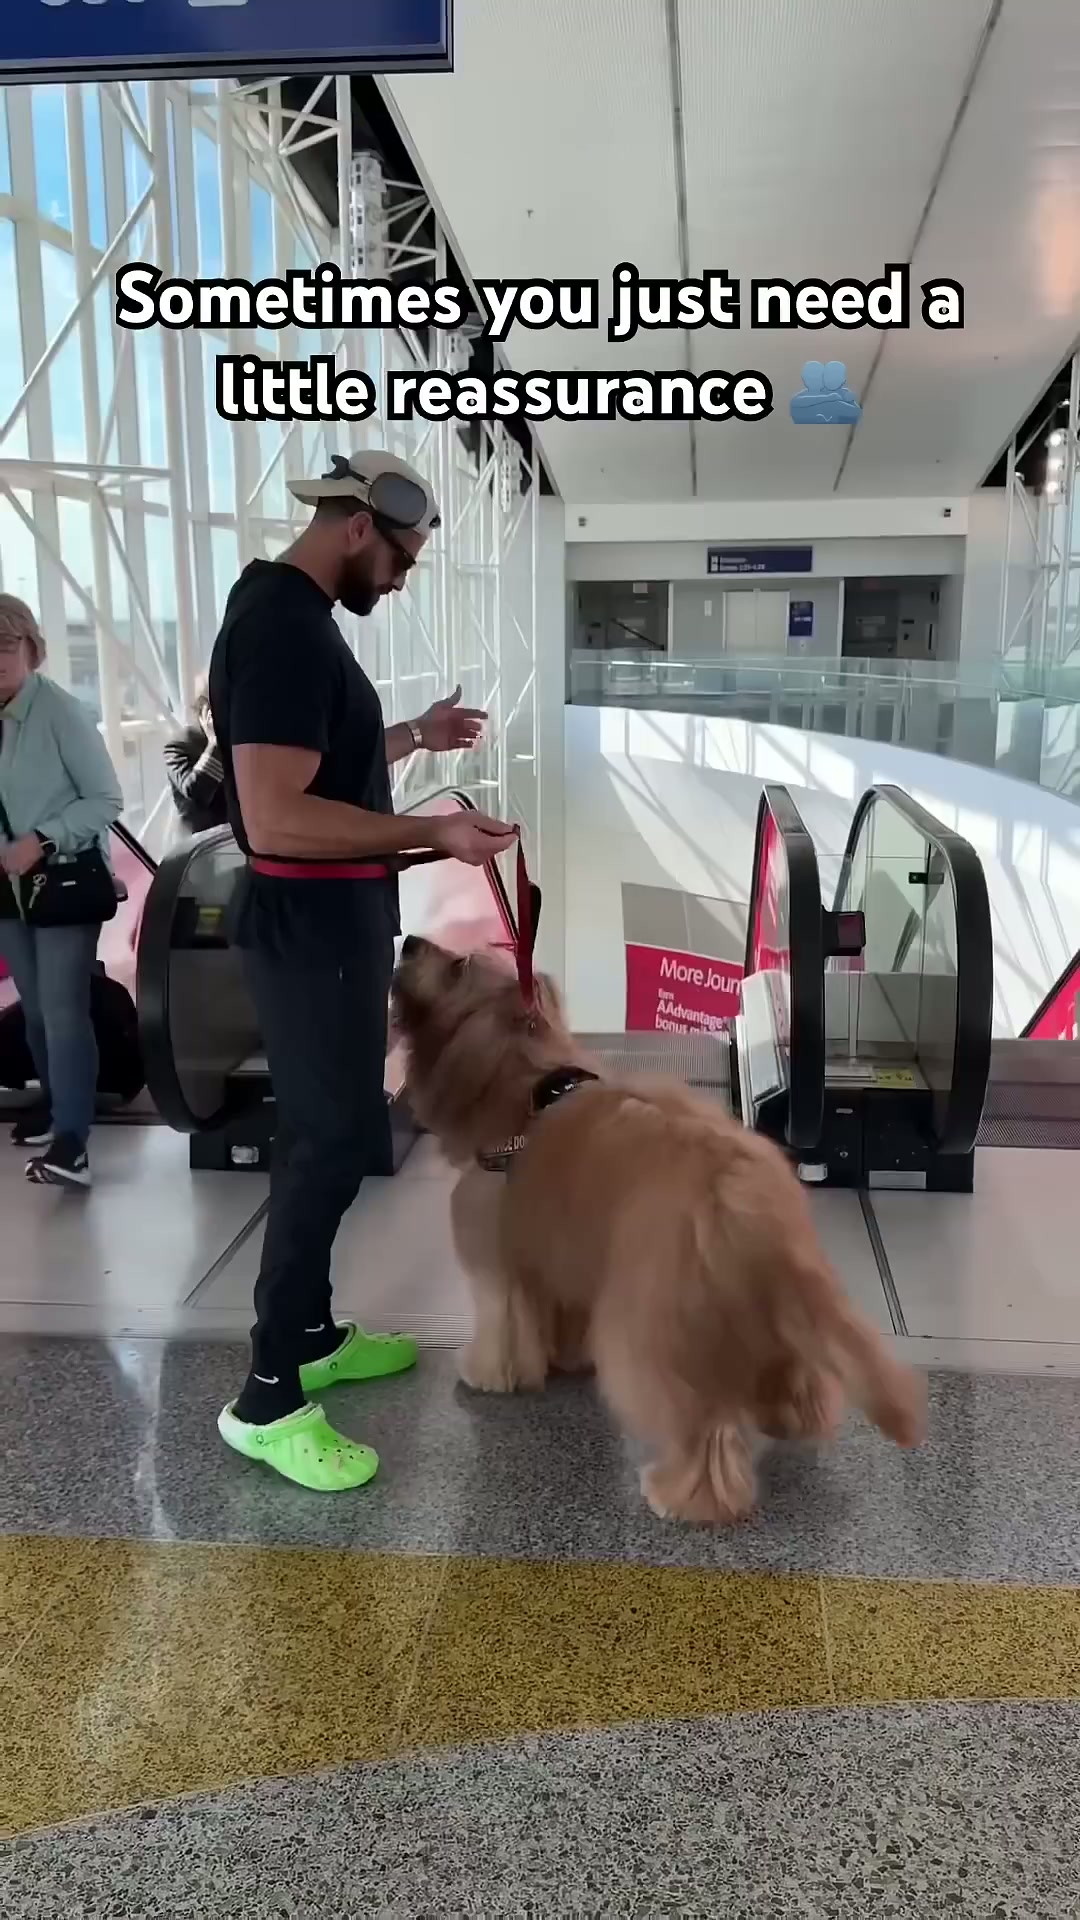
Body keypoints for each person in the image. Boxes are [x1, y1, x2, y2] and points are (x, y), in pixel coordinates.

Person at [208, 448, 517, 1493]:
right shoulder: (284, 628)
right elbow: (276, 812)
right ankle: (266, 1396)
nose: (402, 577)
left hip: (328, 929)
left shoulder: (295, 621)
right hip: (306, 928)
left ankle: (309, 1333)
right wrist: (436, 835)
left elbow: (313, 753)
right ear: (355, 527)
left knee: (334, 1137)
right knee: (332, 1145)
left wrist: (414, 738)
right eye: (401, 557)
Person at [0, 594, 123, 1188]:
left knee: (64, 1010)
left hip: (60, 878)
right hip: (7, 887)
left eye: (7, 645)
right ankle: (57, 1110)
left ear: (31, 649)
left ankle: (73, 1143)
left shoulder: (59, 712)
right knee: (35, 1008)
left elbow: (105, 799)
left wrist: (42, 840)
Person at [163, 674, 228, 838]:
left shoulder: (238, 742)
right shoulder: (179, 746)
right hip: (202, 849)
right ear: (206, 710)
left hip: (236, 844)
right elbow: (197, 792)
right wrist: (214, 744)